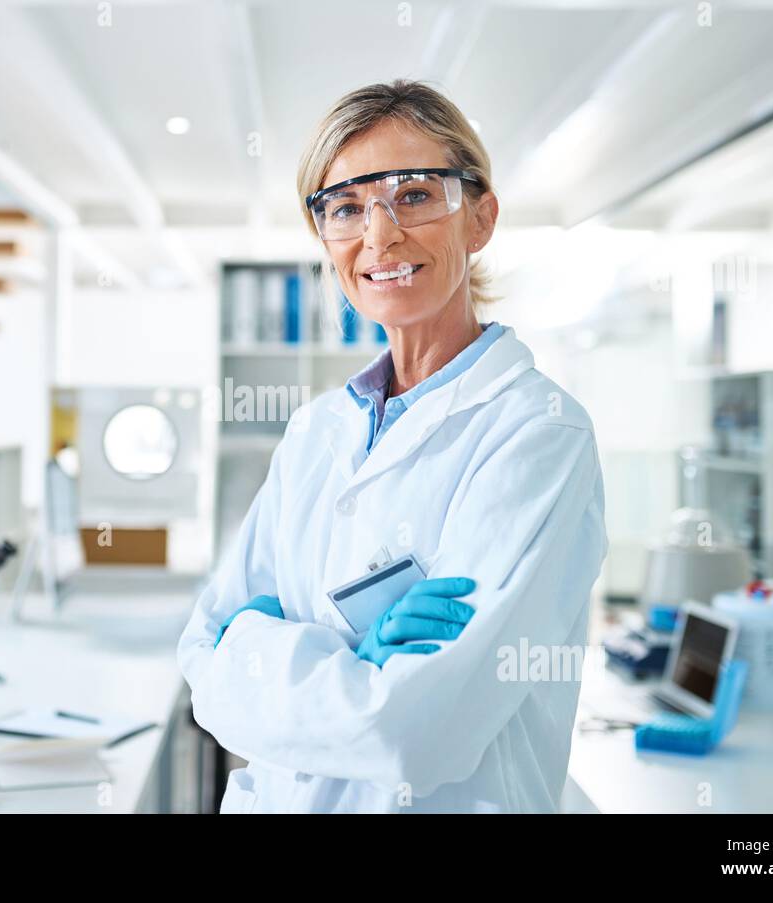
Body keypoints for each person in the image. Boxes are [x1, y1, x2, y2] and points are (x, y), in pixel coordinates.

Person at [177, 79, 607, 813]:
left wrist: (264, 650)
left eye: (413, 195)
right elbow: (200, 664)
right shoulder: (315, 432)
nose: (379, 237)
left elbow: (414, 731)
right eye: (346, 207)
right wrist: (352, 661)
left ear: (480, 217)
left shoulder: (538, 436)